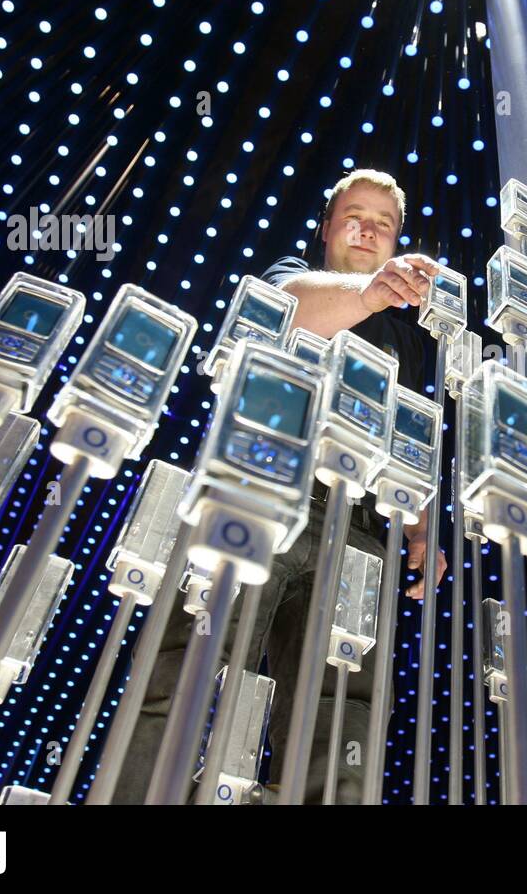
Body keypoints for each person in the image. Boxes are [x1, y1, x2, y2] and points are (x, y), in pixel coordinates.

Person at [113, 169, 447, 804]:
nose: (370, 229)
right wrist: (370, 292)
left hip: (358, 529)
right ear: (325, 228)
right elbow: (288, 308)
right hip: (258, 488)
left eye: (385, 222)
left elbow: (407, 425)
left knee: (343, 703)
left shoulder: (410, 335)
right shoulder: (292, 274)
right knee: (190, 665)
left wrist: (420, 521)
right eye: (356, 214)